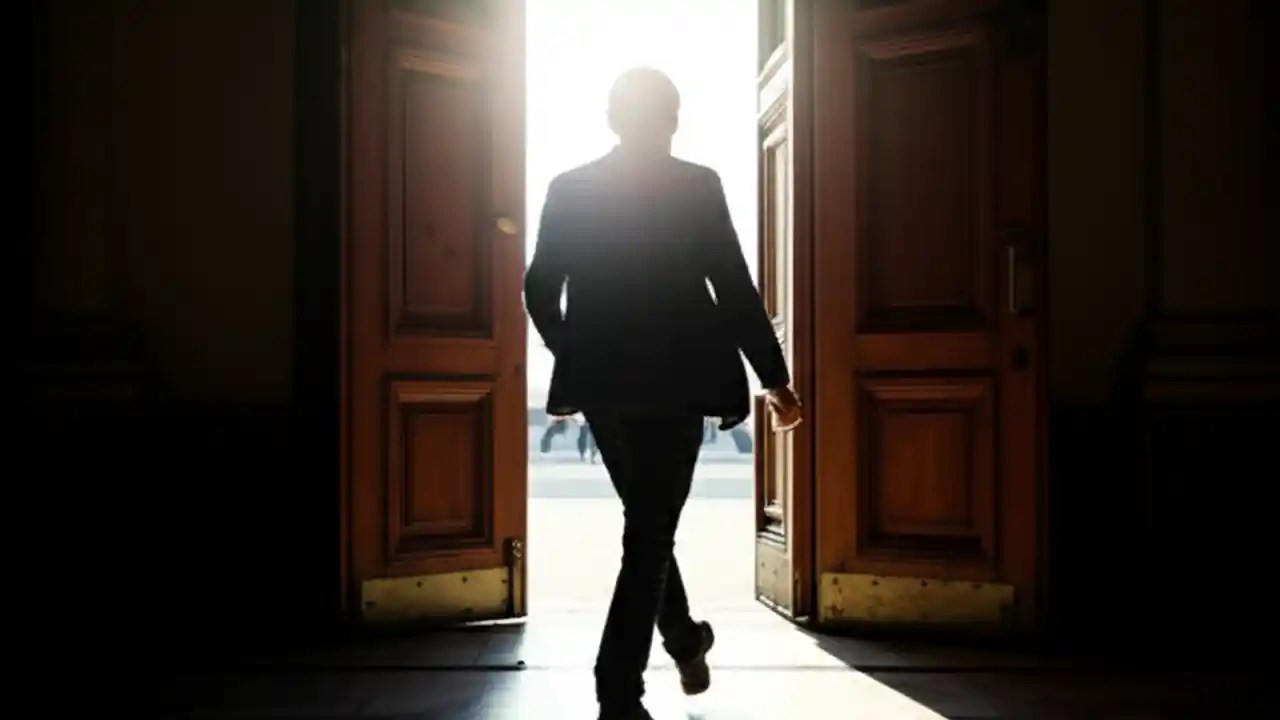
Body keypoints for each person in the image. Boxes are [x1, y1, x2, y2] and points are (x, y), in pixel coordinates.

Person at [524, 67, 802, 720]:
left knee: (648, 527)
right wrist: (775, 380)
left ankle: (682, 638)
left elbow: (539, 288)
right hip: (678, 382)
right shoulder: (697, 187)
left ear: (611, 119)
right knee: (650, 530)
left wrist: (574, 352)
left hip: (605, 386)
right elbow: (733, 288)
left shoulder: (571, 189)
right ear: (674, 118)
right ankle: (617, 688)